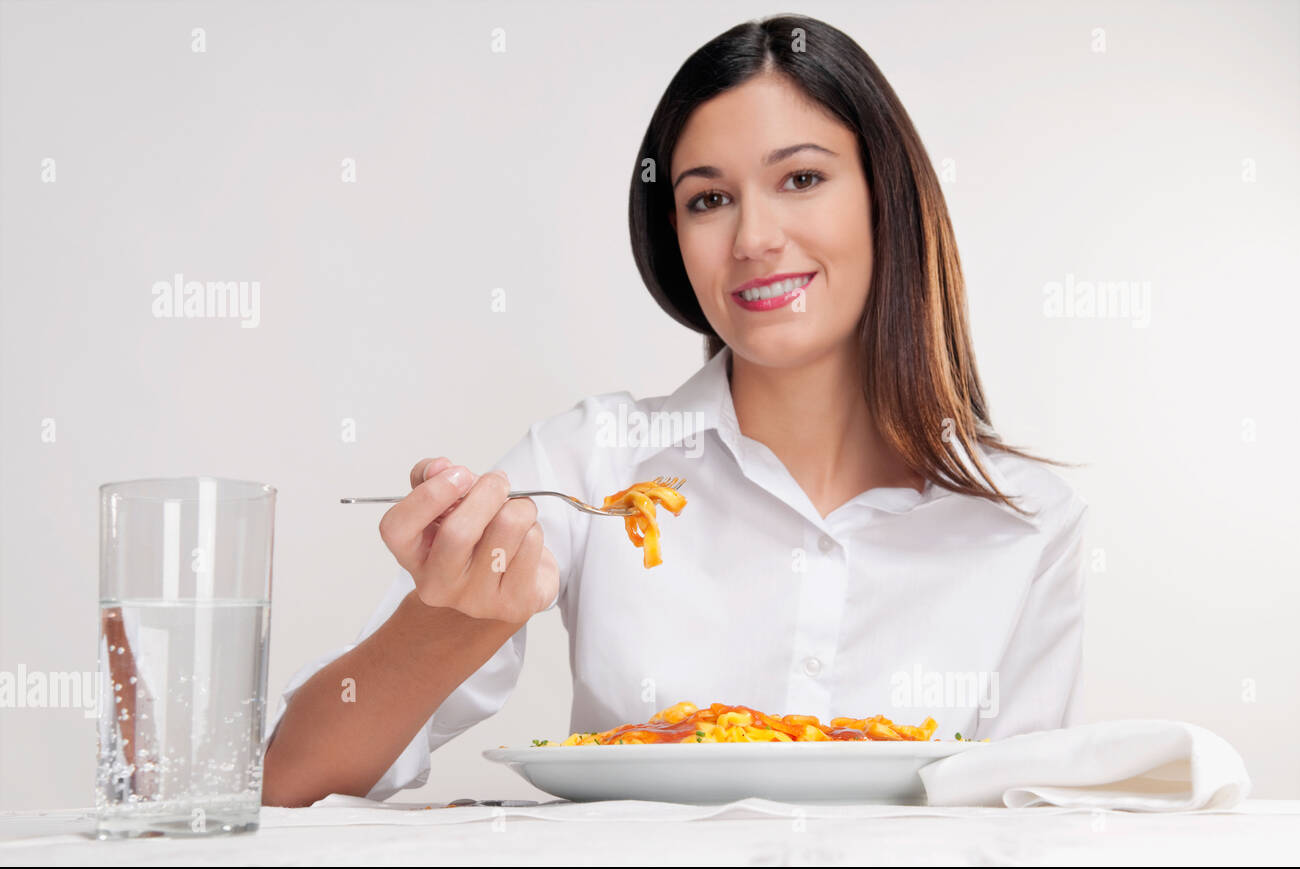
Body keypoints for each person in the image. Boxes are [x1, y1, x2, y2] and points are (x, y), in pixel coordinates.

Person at [261, 14, 1089, 808]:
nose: (754, 237)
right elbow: (286, 783)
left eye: (801, 179)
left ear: (887, 199)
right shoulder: (590, 464)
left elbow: (1019, 818)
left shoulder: (1028, 523)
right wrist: (448, 619)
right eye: (707, 200)